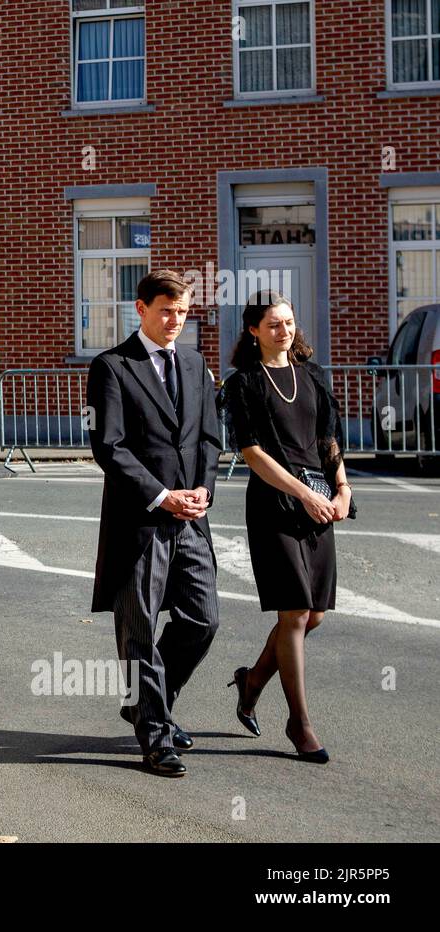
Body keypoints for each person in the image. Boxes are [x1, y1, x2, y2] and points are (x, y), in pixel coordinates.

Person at [87, 270, 222, 778]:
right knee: (139, 629)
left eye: (183, 312)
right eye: (166, 311)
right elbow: (110, 447)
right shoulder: (112, 367)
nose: (175, 320)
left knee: (203, 619)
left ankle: (149, 701)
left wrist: (203, 489)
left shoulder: (194, 363)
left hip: (191, 519)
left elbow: (208, 438)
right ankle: (156, 737)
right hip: (140, 521)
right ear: (141, 308)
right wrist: (162, 496)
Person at [224, 292, 352, 765]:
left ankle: (252, 680)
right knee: (294, 610)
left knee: (314, 614)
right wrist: (303, 493)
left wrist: (342, 488)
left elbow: (328, 440)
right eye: (274, 324)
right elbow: (252, 453)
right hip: (275, 503)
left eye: (289, 322)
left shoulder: (312, 376)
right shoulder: (244, 383)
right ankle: (300, 724)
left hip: (318, 498)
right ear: (253, 330)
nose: (284, 331)